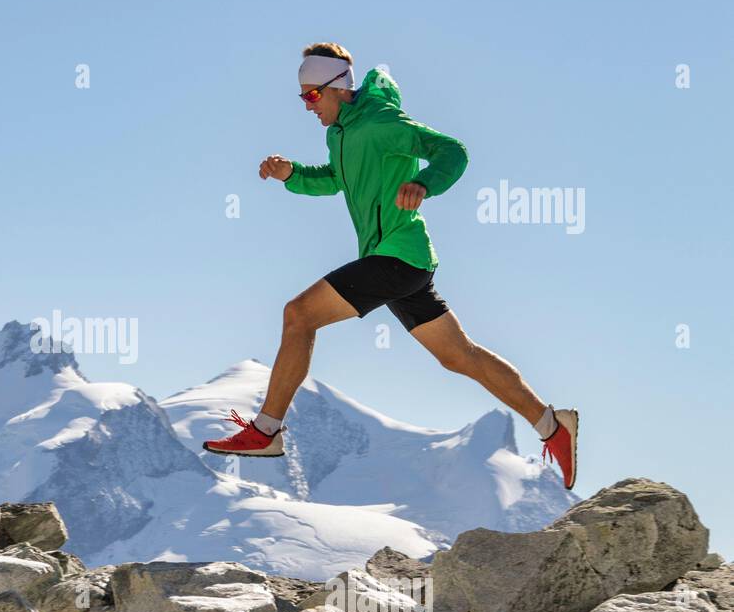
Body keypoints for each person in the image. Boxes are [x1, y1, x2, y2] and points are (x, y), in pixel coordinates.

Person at [203, 42, 577, 490]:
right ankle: (553, 426)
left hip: (397, 256)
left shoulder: (383, 122)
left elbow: (453, 151)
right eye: (303, 97)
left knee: (298, 315)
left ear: (336, 87)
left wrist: (424, 181)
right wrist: (292, 174)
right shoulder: (338, 133)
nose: (307, 106)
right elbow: (334, 181)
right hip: (400, 262)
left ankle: (266, 431)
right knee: (461, 357)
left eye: (311, 96)